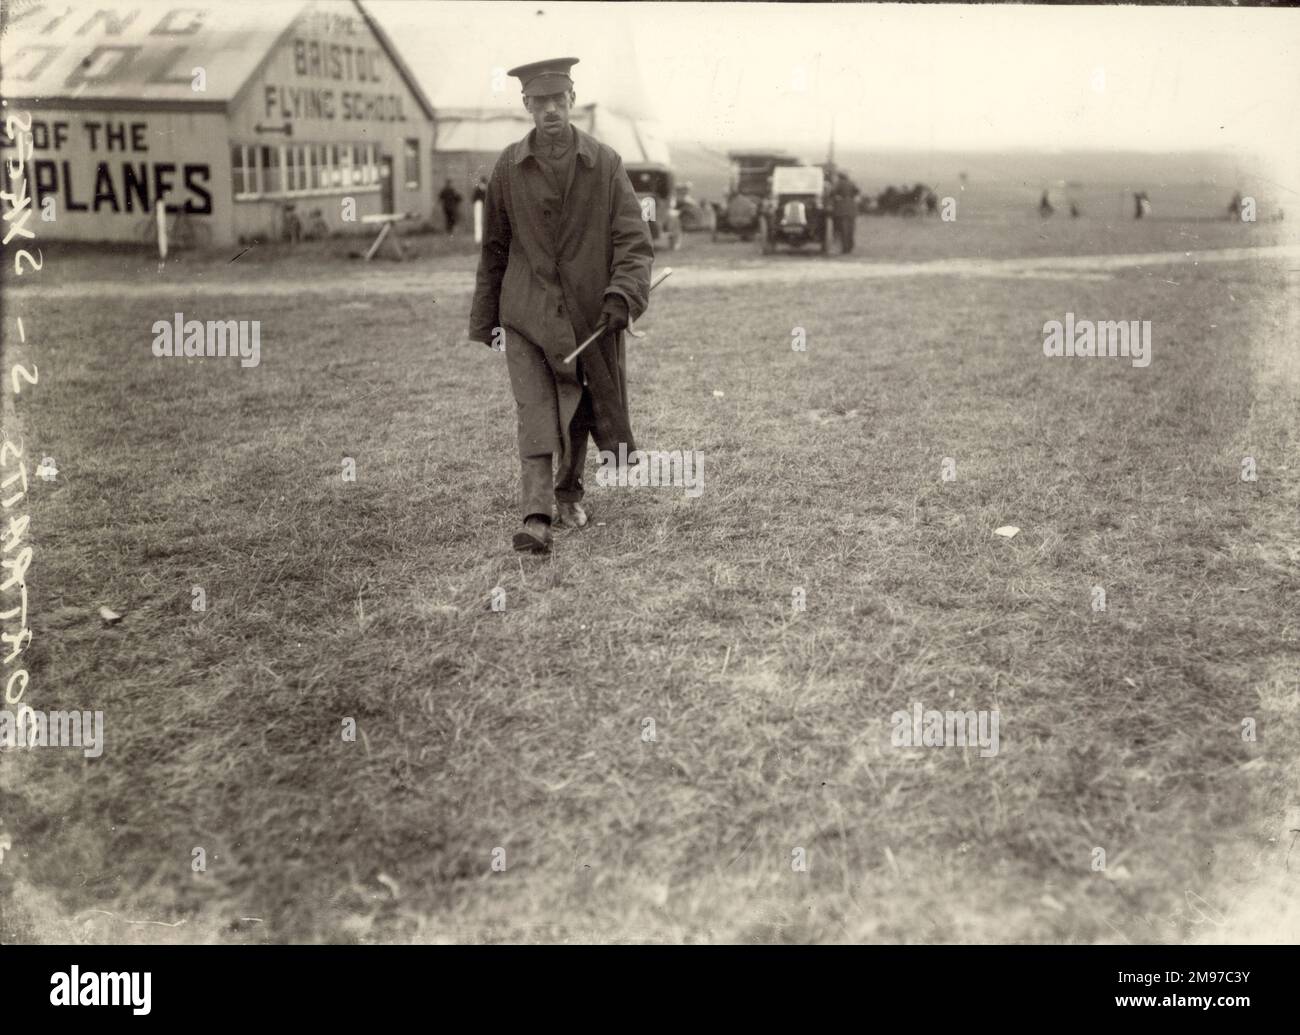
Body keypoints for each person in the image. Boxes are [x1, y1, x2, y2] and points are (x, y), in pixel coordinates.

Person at [468, 56, 653, 554]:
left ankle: (568, 493)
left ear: (572, 100)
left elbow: (634, 241)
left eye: (558, 99)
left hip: (588, 314)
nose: (550, 110)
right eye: (539, 101)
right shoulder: (507, 168)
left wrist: (621, 296)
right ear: (526, 106)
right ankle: (536, 516)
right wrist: (485, 319)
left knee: (579, 409)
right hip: (525, 313)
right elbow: (495, 250)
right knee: (535, 410)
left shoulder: (606, 163)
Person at [830, 171, 860, 253]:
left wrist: (837, 197)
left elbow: (832, 193)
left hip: (841, 209)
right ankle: (850, 247)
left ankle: (845, 248)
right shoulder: (852, 183)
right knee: (851, 229)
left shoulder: (838, 183)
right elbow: (857, 192)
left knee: (843, 230)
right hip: (852, 209)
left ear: (840, 177)